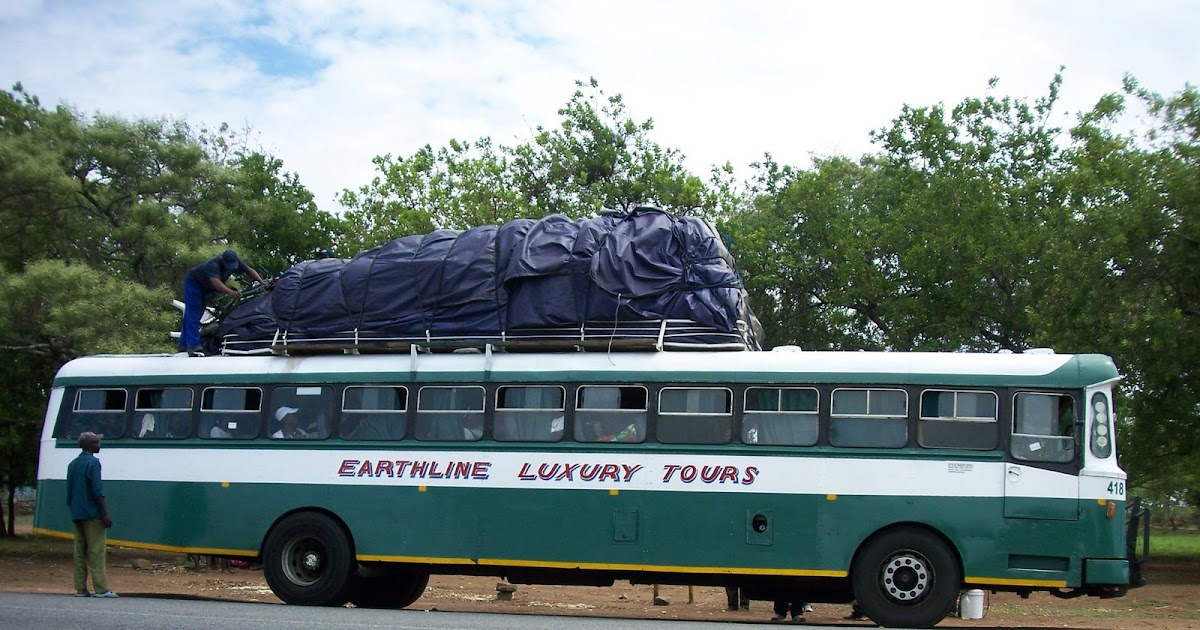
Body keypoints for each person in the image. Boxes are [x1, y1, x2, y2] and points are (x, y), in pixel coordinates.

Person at [179, 249, 265, 357]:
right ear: (223, 260)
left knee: (196, 313)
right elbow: (216, 283)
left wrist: (261, 281)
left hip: (206, 286)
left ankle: (183, 344)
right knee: (193, 312)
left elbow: (249, 270)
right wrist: (231, 292)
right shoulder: (213, 264)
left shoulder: (235, 260)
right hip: (194, 284)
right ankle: (193, 347)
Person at [66, 432, 118, 598]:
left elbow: (69, 491)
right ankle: (101, 588)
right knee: (96, 551)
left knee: (79, 551)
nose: (99, 445)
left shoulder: (73, 464)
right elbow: (97, 491)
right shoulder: (93, 463)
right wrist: (106, 513)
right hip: (93, 514)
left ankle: (81, 588)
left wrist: (74, 508)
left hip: (77, 512)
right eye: (96, 442)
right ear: (89, 445)